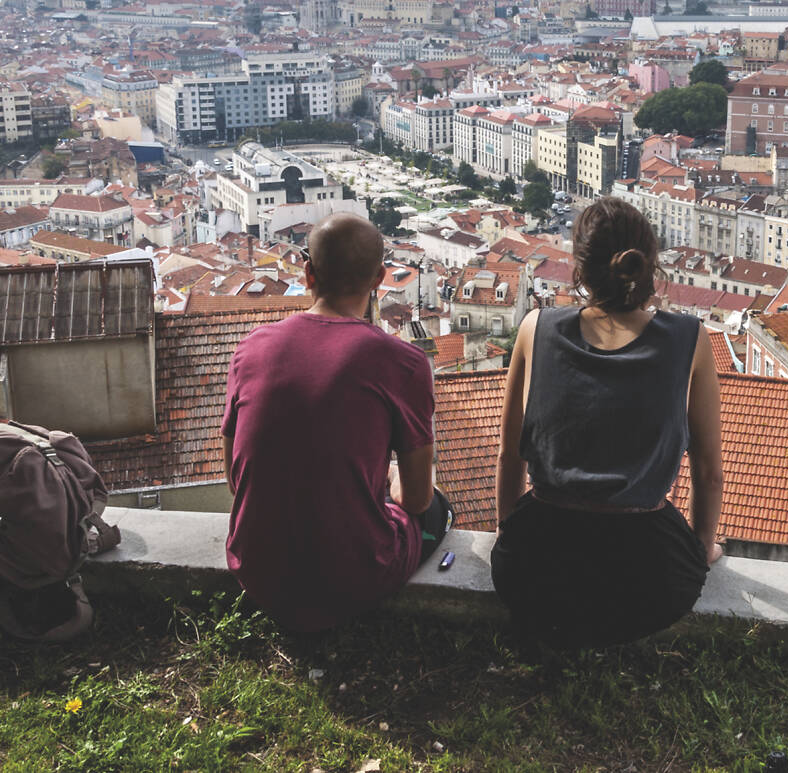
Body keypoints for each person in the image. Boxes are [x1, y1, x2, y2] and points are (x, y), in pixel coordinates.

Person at [492, 197, 725, 647]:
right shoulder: (688, 339)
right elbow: (709, 471)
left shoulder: (535, 328)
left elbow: (510, 453)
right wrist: (700, 552)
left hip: (533, 576)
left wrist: (509, 536)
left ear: (578, 272)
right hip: (650, 588)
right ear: (648, 265)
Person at [221, 213, 453, 632]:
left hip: (256, 569)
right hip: (355, 577)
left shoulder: (251, 349)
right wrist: (397, 477)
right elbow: (416, 501)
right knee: (438, 507)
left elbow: (235, 478)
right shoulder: (403, 362)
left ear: (308, 273)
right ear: (380, 278)